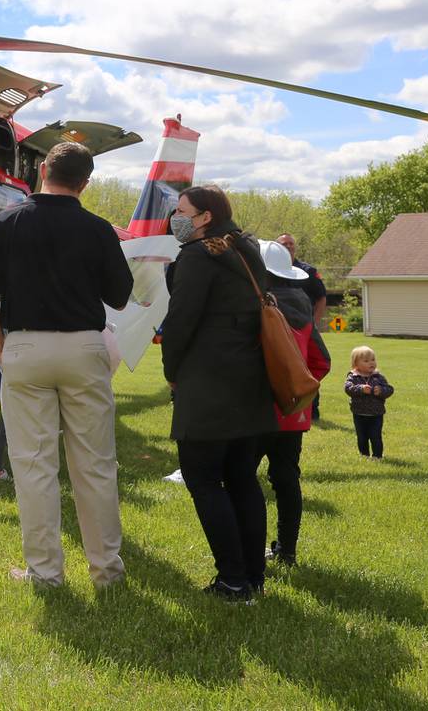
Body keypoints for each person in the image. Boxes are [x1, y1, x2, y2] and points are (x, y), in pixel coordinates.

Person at [0, 142, 133, 589]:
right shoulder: (98, 229)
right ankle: (107, 572)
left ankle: (44, 573)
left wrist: (2, 344)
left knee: (34, 466)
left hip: (24, 346)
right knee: (96, 466)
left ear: (43, 169)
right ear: (85, 182)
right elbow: (120, 295)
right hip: (84, 347)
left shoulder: (5, 223)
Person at [161, 185, 278, 601]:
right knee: (242, 477)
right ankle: (253, 575)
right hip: (250, 380)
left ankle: (232, 579)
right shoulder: (245, 248)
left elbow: (180, 322)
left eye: (181, 211)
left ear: (204, 216)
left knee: (204, 478)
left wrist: (171, 371)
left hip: (208, 382)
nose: (175, 217)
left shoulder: (196, 257)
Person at [256, 239, 331, 568]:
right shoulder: (302, 306)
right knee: (286, 479)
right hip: (291, 413)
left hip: (254, 409)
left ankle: (250, 550)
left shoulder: (257, 305)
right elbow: (321, 362)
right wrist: (294, 394)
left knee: (243, 479)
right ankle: (287, 551)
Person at [276, 233, 327, 418]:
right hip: (278, 329)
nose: (288, 246)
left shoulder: (308, 271)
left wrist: (314, 323)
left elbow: (321, 298)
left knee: (308, 366)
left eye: (291, 244)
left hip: (304, 330)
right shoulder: (269, 269)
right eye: (284, 244)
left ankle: (312, 409)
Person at [344, 345, 394, 459]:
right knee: (362, 436)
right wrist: (360, 389)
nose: (371, 363)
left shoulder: (378, 377)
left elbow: (390, 389)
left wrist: (381, 391)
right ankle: (364, 455)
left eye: (373, 360)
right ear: (356, 364)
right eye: (366, 361)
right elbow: (348, 388)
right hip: (359, 413)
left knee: (376, 435)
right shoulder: (353, 377)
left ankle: (377, 455)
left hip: (376, 413)